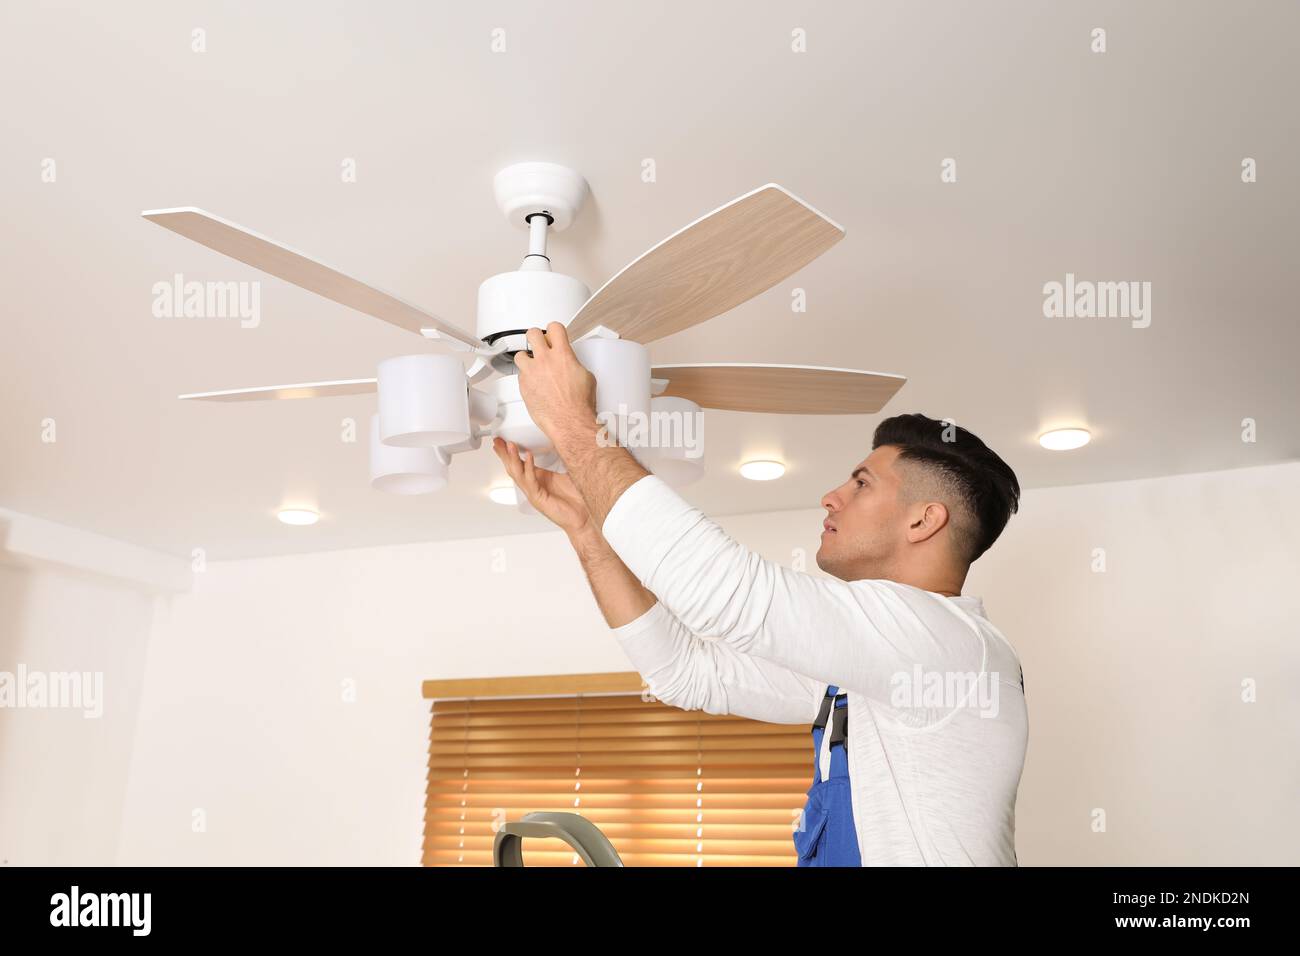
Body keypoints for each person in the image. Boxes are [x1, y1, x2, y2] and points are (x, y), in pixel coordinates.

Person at [492, 322, 1028, 866]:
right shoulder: (879, 672)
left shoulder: (943, 641)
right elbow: (686, 672)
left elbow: (728, 594)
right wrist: (590, 530)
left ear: (923, 521)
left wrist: (572, 423)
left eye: (862, 483)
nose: (831, 496)